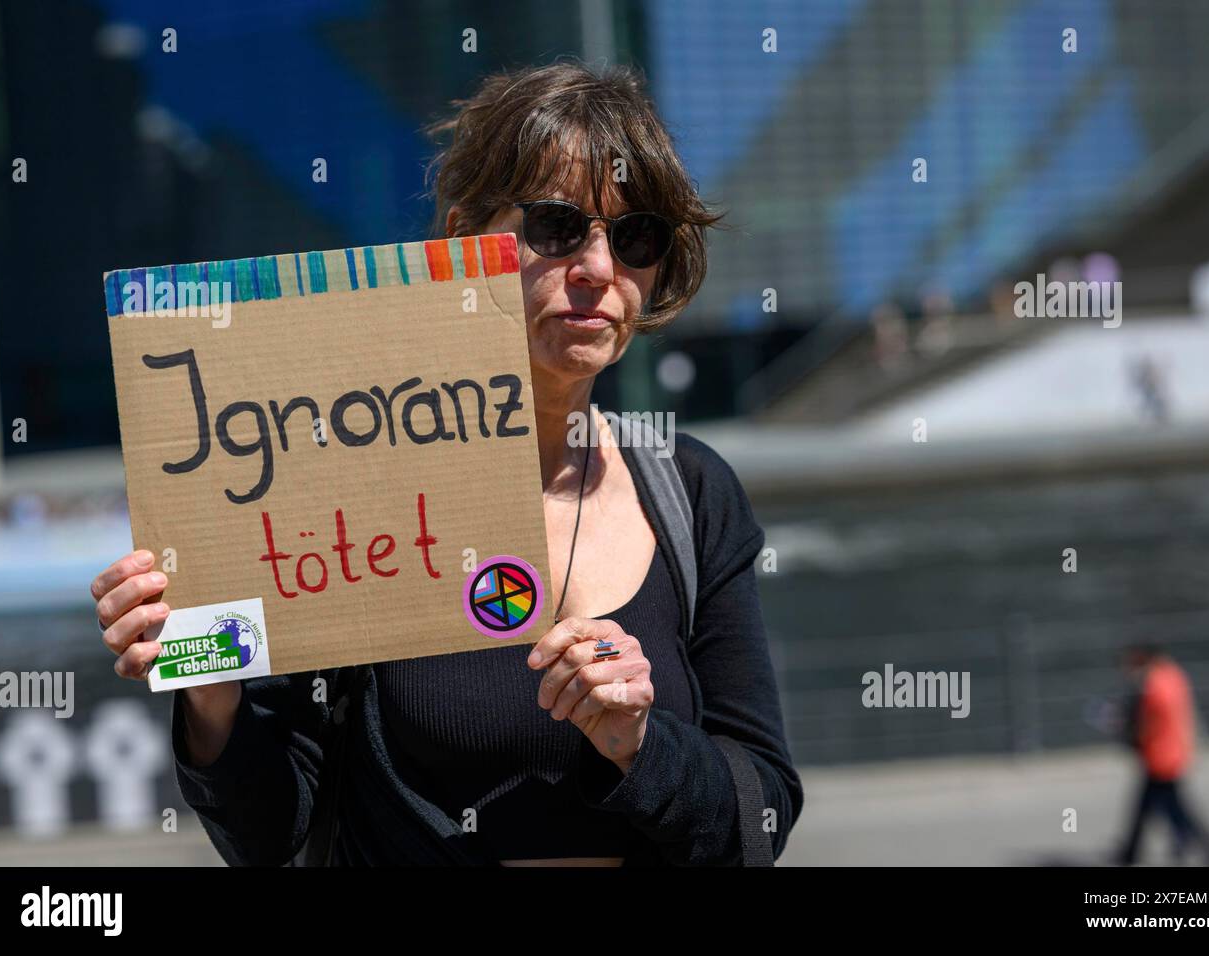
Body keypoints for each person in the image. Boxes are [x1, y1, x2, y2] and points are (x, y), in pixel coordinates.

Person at [89, 61, 803, 866]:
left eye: (635, 236)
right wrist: (210, 685)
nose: (599, 271)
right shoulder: (342, 487)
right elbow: (271, 833)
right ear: (468, 239)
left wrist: (642, 744)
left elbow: (763, 814)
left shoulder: (689, 491)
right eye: (557, 226)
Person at [1115, 644, 1209, 865]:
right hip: (1171, 753)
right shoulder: (1173, 675)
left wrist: (1129, 731)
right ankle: (1130, 853)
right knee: (1148, 807)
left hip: (1161, 757)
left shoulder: (1154, 685)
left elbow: (1148, 723)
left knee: (1176, 809)